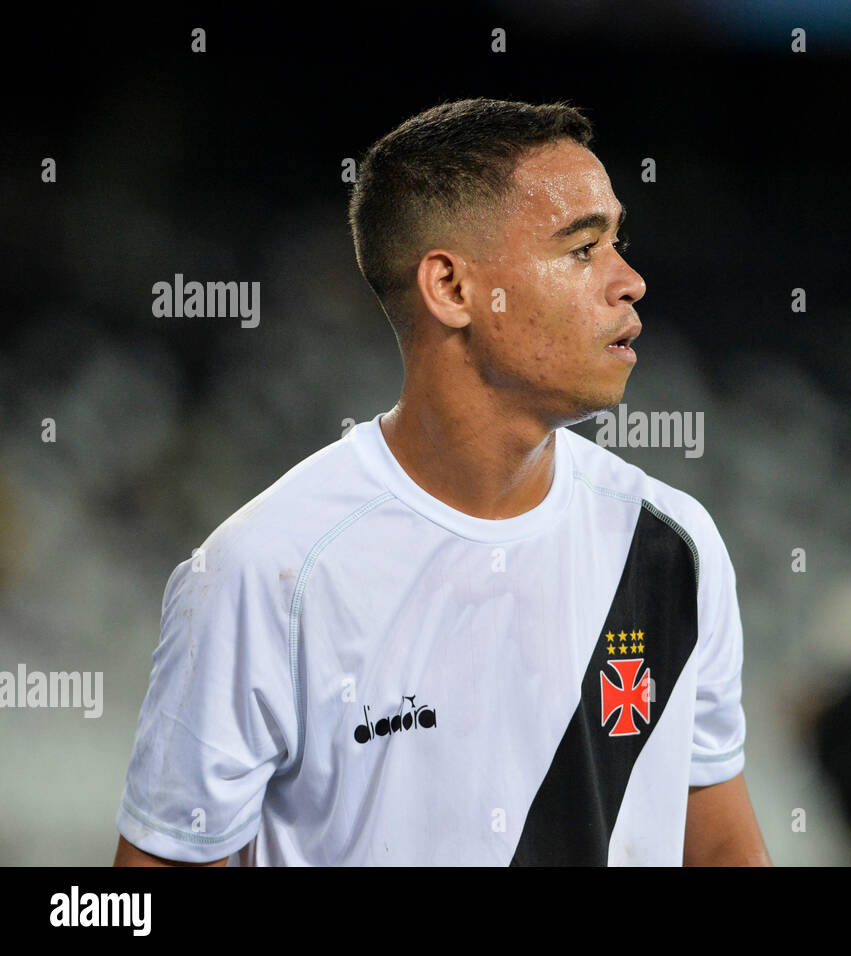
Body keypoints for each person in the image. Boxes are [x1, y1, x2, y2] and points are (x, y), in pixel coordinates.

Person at [112, 97, 770, 866]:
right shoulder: (265, 571)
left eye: (618, 241)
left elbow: (722, 845)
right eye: (583, 248)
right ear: (453, 289)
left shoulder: (670, 545)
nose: (630, 281)